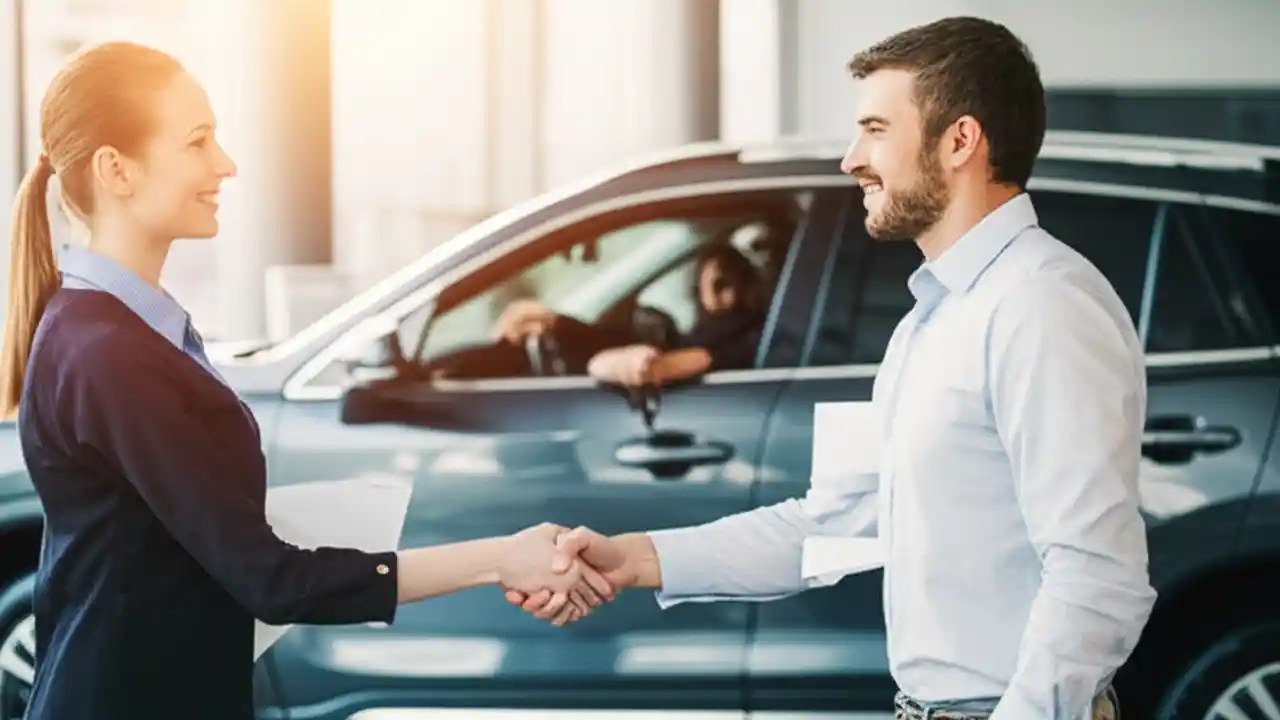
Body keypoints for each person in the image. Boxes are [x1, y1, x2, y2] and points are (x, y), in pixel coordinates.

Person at [509, 16, 1156, 720]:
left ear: (960, 140)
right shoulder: (930, 321)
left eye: (875, 129)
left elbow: (1099, 576)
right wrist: (633, 559)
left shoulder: (1040, 304)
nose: (851, 158)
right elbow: (834, 525)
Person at [2, 42, 607, 720]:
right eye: (198, 143)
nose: (224, 164)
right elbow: (273, 581)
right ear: (117, 170)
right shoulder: (109, 353)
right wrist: (500, 558)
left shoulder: (108, 332)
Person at [488, 242, 767, 387]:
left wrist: (609, 362)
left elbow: (657, 367)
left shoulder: (747, 339)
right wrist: (556, 323)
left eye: (722, 285)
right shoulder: (708, 331)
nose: (711, 297)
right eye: (701, 287)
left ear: (746, 287)